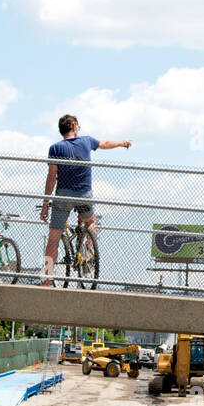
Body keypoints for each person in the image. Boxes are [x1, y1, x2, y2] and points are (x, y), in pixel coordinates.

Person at [38, 115, 131, 286]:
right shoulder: (86, 141)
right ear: (73, 126)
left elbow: (51, 177)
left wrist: (45, 204)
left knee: (53, 239)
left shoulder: (55, 148)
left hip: (63, 195)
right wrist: (121, 143)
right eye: (78, 126)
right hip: (84, 195)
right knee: (90, 222)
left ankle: (46, 280)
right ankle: (88, 254)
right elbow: (104, 144)